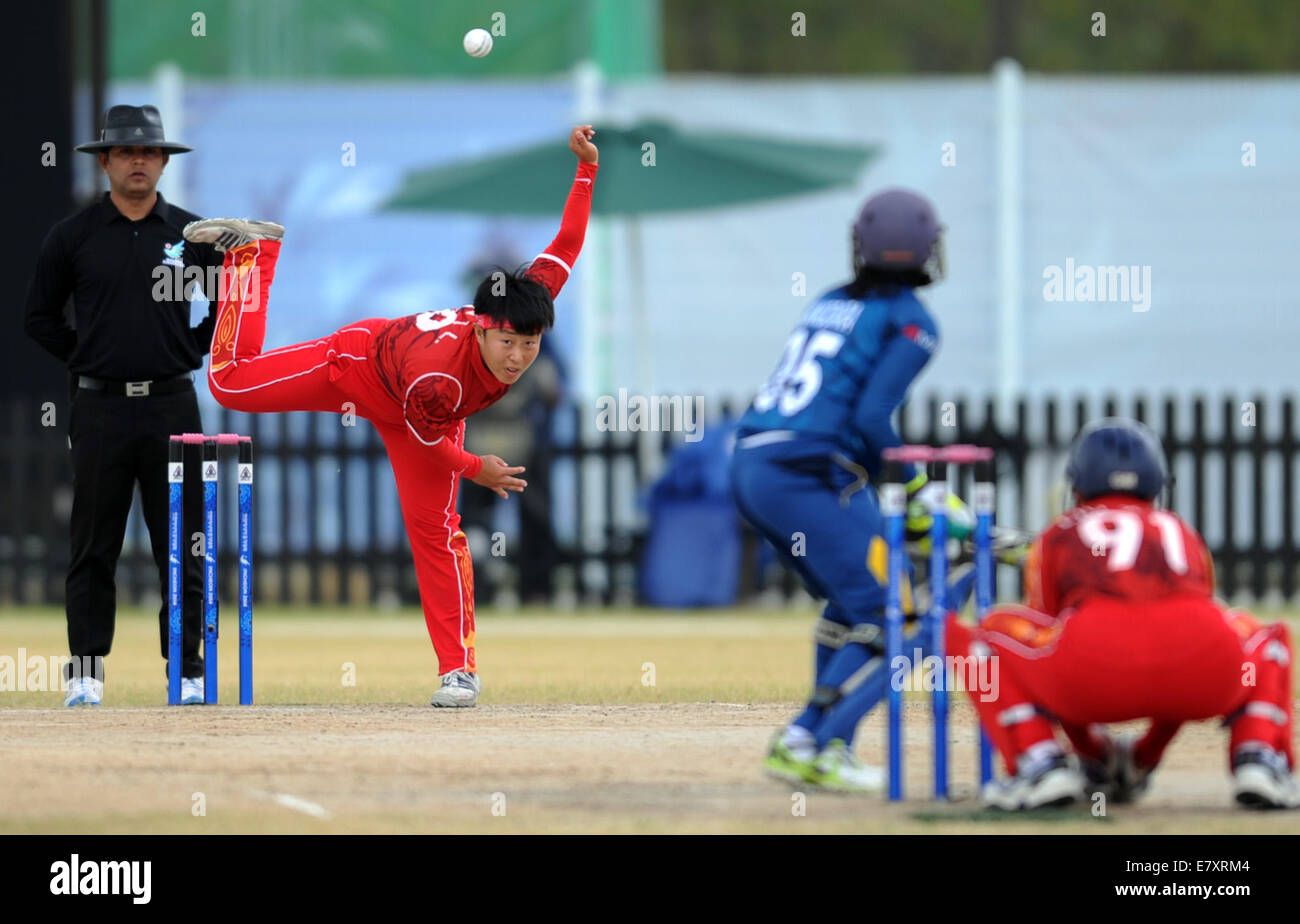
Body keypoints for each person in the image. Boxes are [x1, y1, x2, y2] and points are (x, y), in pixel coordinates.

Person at [184, 126, 599, 707]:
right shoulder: (441, 375)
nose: (519, 359)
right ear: (482, 325)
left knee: (438, 532)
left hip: (421, 410)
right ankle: (256, 257)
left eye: (530, 346)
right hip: (355, 367)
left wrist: (586, 169)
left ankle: (459, 670)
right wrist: (478, 467)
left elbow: (568, 243)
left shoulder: (525, 303)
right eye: (508, 343)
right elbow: (429, 442)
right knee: (227, 381)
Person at [730, 189, 971, 791]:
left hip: (756, 462)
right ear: (928, 250)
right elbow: (868, 422)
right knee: (896, 610)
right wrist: (920, 491)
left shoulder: (831, 301)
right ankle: (810, 739)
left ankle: (825, 744)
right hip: (807, 471)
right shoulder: (913, 321)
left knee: (851, 602)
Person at [947, 418, 1298, 810]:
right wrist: (1148, 752)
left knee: (984, 639)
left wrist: (1087, 747)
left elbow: (1049, 626)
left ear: (1077, 482)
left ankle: (1040, 763)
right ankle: (1260, 758)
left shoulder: (1061, 531)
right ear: (1157, 483)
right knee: (1269, 638)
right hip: (1203, 673)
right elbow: (1193, 628)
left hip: (1092, 671)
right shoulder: (1180, 530)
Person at [24, 105, 223, 707]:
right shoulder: (73, 237)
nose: (138, 161)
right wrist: (88, 358)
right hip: (100, 410)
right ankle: (86, 672)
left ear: (162, 162)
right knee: (93, 545)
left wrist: (185, 349)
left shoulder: (195, 239)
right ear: (105, 161)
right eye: (126, 152)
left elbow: (223, 312)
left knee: (183, 543)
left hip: (171, 407)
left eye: (149, 152)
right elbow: (38, 318)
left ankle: (186, 672)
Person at [457, 251, 565, 604]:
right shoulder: (474, 331)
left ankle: (530, 588)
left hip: (512, 437)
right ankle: (488, 588)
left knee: (524, 514)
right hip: (491, 438)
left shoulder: (530, 331)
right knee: (477, 518)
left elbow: (555, 384)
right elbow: (555, 387)